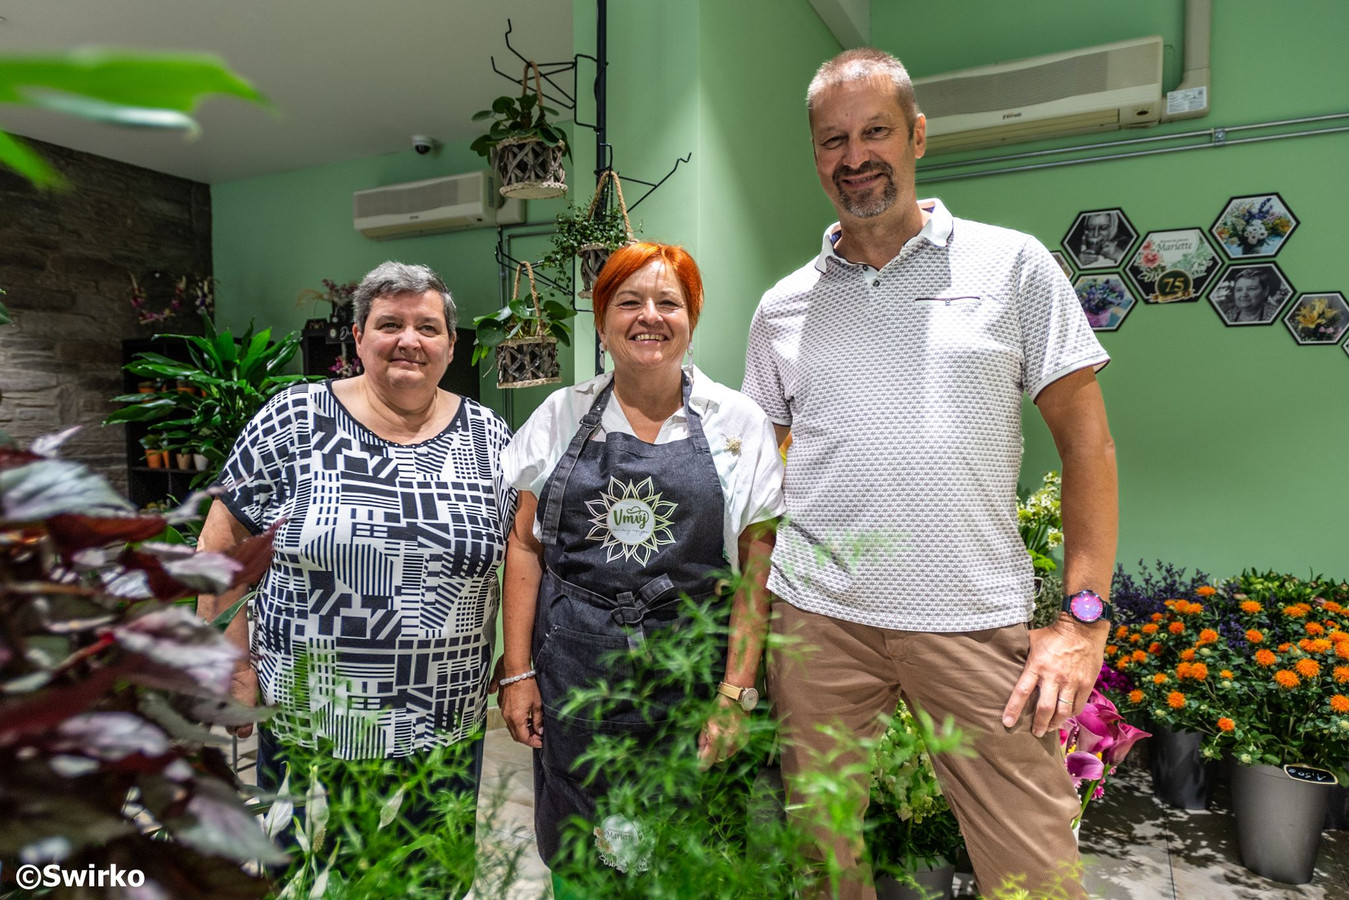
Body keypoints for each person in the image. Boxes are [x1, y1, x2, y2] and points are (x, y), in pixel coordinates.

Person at [742, 49, 1118, 899]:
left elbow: (1088, 448)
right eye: (832, 140)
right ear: (815, 155)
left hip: (971, 620)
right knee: (820, 863)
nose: (854, 156)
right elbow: (763, 482)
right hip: (818, 622)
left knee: (1034, 874)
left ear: (916, 135)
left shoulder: (1011, 266)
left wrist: (1082, 623)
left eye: (874, 131)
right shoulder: (780, 308)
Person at [195, 261, 515, 870]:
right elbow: (220, 549)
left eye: (428, 327)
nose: (409, 340)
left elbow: (524, 554)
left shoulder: (489, 437)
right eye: (389, 324)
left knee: (430, 879)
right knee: (311, 877)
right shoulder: (294, 419)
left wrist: (521, 663)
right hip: (313, 724)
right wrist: (231, 664)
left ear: (451, 345)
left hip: (445, 723)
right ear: (359, 337)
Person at [496, 242, 783, 886]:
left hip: (693, 681)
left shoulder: (739, 423)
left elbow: (754, 568)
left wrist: (736, 693)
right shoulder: (560, 415)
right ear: (602, 321)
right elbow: (525, 545)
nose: (649, 316)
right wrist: (517, 673)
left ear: (692, 319)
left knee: (692, 862)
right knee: (583, 860)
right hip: (576, 677)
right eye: (628, 302)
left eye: (668, 303)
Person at [1216, 268, 1283, 323]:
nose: (1244, 294)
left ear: (1265, 291)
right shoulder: (1226, 316)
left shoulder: (1276, 316)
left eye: (1251, 289)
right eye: (1239, 290)